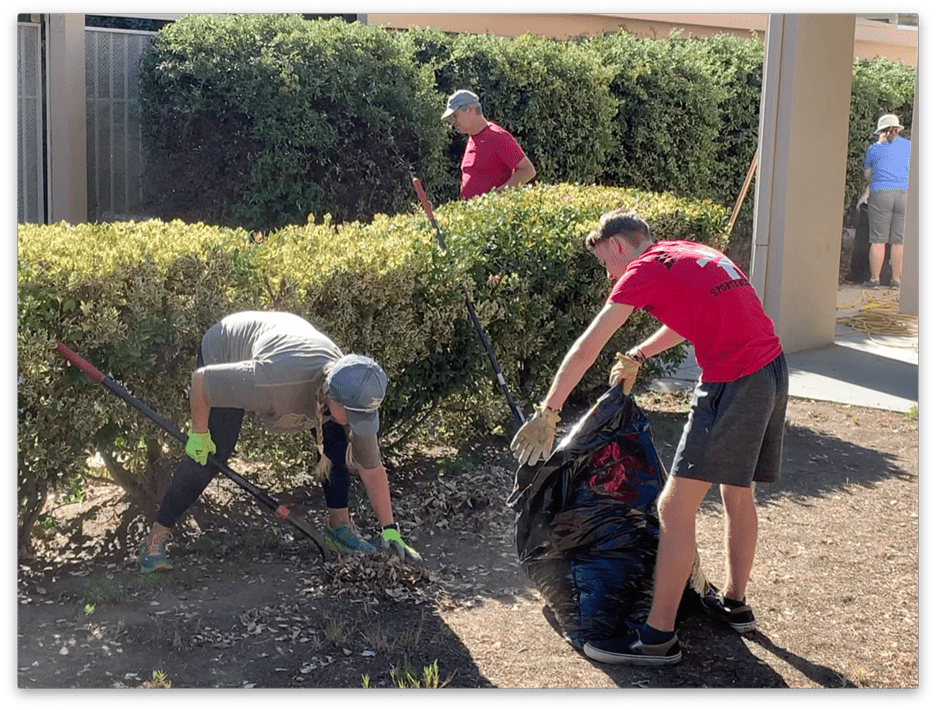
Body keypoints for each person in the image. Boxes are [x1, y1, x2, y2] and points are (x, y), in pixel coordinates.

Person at [510, 208, 788, 666]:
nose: (608, 274)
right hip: (771, 370)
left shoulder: (641, 270)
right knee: (738, 492)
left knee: (672, 509)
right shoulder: (690, 254)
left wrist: (550, 409)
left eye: (605, 262)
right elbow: (688, 320)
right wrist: (639, 353)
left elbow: (587, 347)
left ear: (618, 245)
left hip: (733, 379)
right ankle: (735, 604)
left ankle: (656, 638)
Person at [137, 311, 420, 572]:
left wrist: (390, 530)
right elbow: (201, 382)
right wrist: (199, 434)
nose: (358, 422)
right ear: (329, 396)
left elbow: (372, 469)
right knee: (213, 454)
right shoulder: (272, 384)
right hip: (228, 346)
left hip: (289, 341)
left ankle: (339, 530)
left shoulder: (356, 393)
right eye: (353, 415)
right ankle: (155, 539)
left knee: (337, 443)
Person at [441, 89, 536, 200]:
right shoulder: (472, 138)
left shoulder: (497, 136)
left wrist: (500, 194)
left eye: (455, 115)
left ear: (470, 109)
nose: (454, 121)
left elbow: (528, 170)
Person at [862, 113, 911, 290]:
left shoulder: (874, 148)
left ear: (881, 131)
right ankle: (896, 281)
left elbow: (868, 175)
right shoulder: (909, 146)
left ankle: (875, 280)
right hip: (904, 194)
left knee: (878, 239)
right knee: (899, 240)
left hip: (881, 194)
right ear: (897, 130)